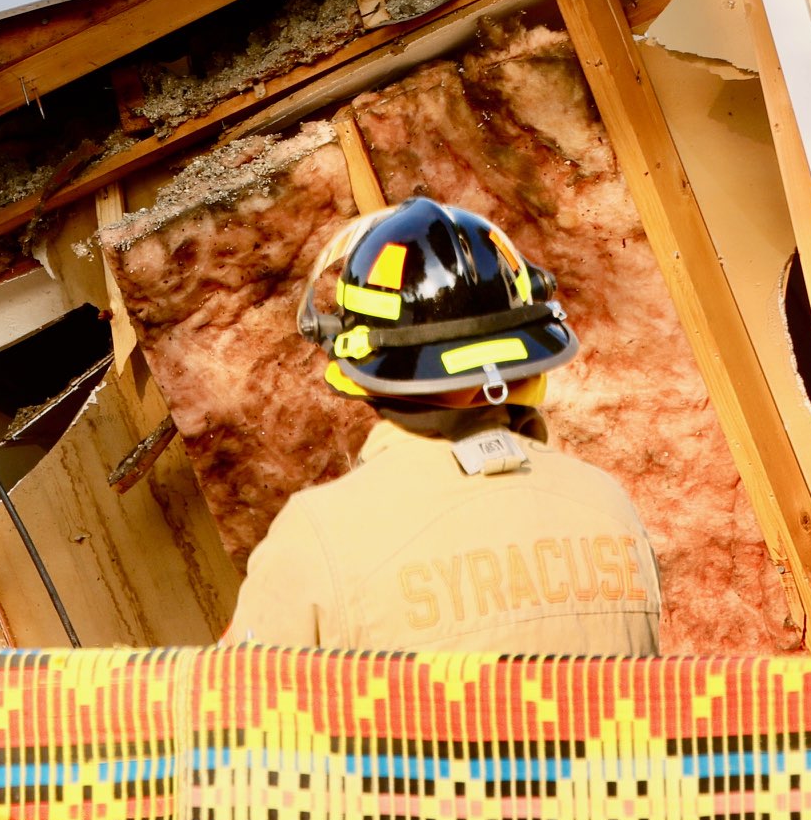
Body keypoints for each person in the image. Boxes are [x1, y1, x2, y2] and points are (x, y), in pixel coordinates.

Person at [223, 196, 664, 653]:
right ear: (530, 360)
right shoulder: (607, 504)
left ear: (359, 364)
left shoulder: (317, 536)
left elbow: (239, 710)